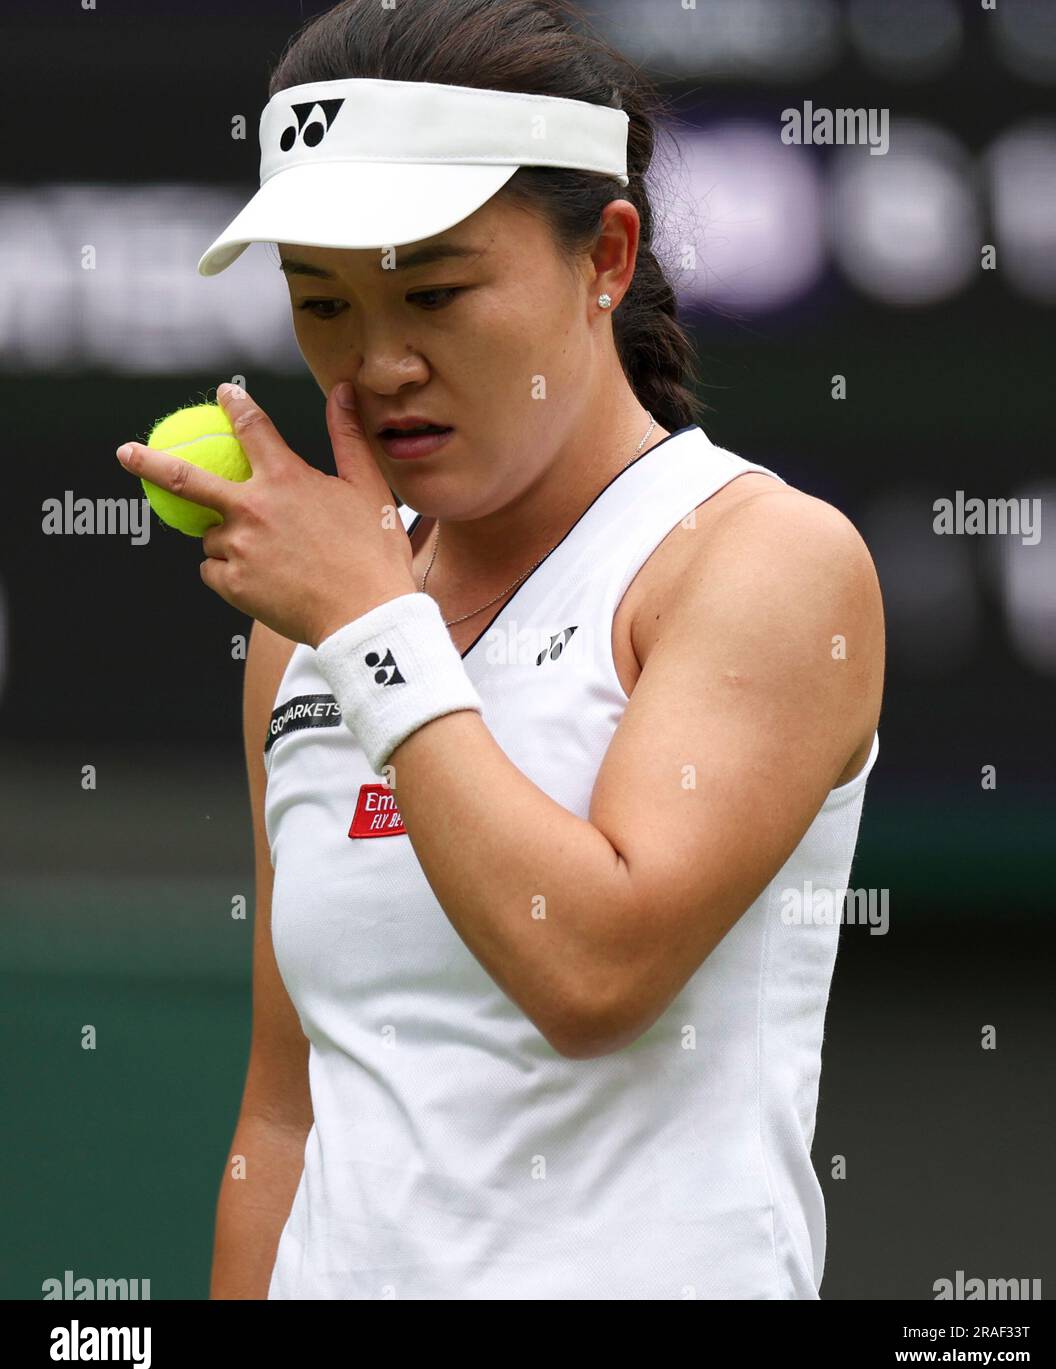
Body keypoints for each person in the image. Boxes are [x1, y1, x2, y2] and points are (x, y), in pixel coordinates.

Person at [186, 0, 884, 1299]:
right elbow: (286, 1110)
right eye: (320, 301)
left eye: (437, 290)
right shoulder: (309, 635)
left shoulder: (765, 561)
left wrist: (373, 632)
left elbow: (592, 969)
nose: (378, 359)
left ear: (605, 256)